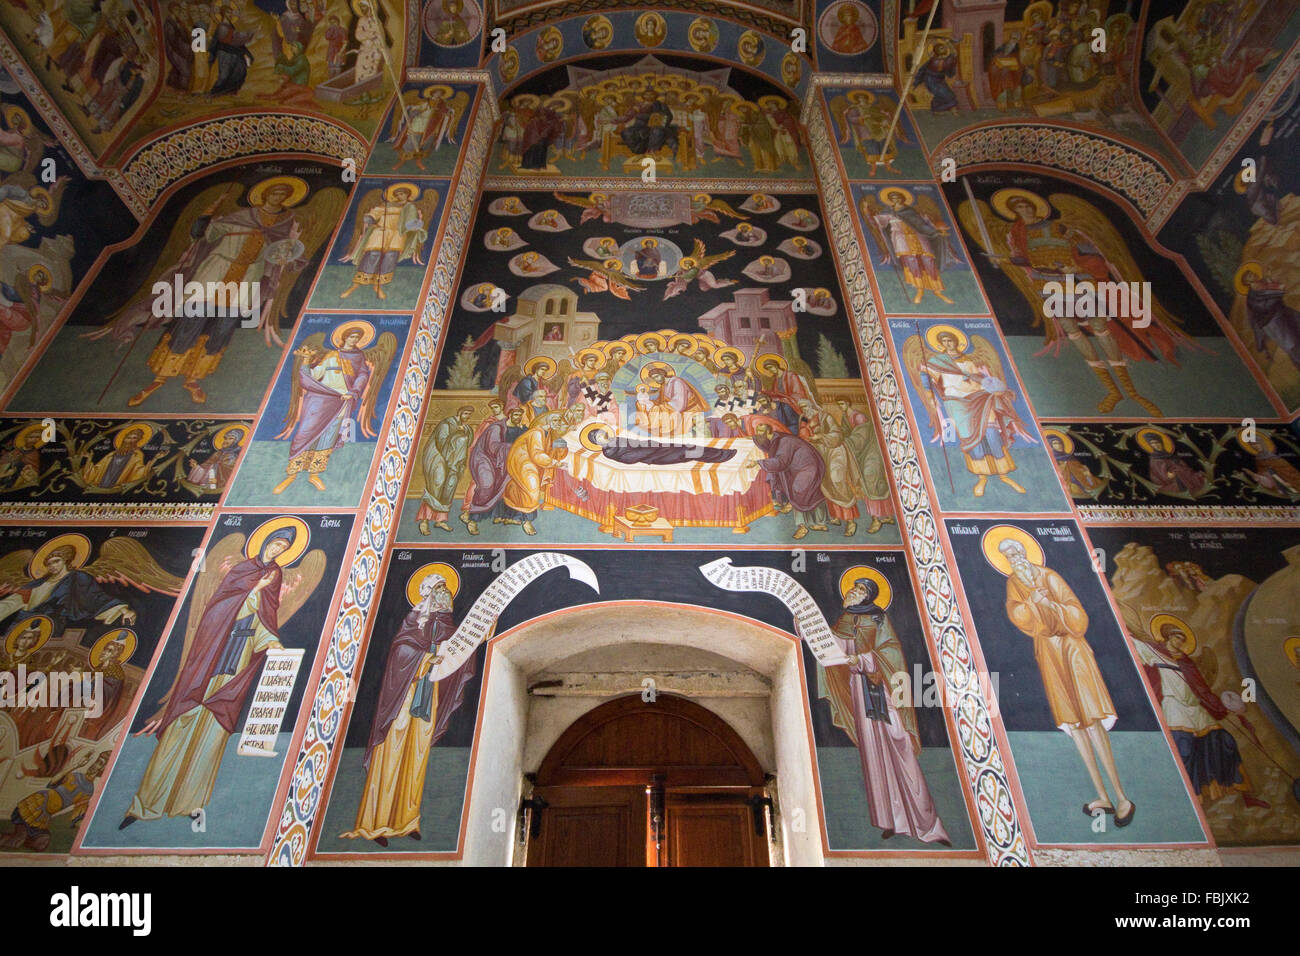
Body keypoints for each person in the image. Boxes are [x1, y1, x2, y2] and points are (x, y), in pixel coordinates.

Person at [121, 529, 296, 827]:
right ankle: (144, 805)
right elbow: (217, 611)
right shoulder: (244, 571)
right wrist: (254, 589)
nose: (279, 549)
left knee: (212, 734)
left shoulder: (274, 577)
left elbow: (265, 618)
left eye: (284, 546)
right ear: (266, 542)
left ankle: (190, 802)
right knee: (182, 725)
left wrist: (271, 642)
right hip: (209, 659)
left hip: (237, 665)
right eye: (277, 543)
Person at [995, 533, 1134, 825]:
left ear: (1024, 552)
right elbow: (1015, 613)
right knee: (1074, 723)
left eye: (1016, 552)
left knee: (1092, 718)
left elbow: (1077, 614)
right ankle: (1102, 796)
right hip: (1048, 652)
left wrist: (1051, 605)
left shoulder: (1049, 575)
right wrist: (1032, 603)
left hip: (1072, 648)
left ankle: (1121, 796)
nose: (1014, 559)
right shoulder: (1014, 583)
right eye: (1009, 556)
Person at [341, 573, 475, 846]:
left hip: (429, 697)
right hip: (403, 697)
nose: (445, 593)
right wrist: (426, 658)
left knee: (417, 755)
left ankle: (407, 821)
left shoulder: (447, 624)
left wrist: (480, 636)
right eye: (439, 588)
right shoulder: (414, 620)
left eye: (446, 589)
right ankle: (375, 824)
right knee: (391, 753)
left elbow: (460, 655)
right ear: (428, 592)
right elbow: (401, 652)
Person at [820, 577, 950, 843]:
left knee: (899, 742)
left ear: (868, 595)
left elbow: (891, 651)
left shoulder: (878, 618)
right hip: (860, 690)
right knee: (873, 751)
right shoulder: (846, 618)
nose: (854, 592)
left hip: (882, 688)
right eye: (853, 588)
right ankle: (892, 820)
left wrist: (865, 660)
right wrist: (812, 630)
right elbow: (837, 648)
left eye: (860, 590)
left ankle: (926, 822)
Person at [1135, 617, 1268, 810]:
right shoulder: (1154, 651)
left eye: (1182, 638)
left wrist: (1218, 706)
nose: (1180, 641)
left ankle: (1245, 795)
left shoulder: (1187, 662)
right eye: (1176, 637)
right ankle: (1184, 799)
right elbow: (1133, 644)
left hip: (1196, 708)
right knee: (1184, 748)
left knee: (1225, 742)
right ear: (1167, 637)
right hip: (1173, 706)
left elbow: (1201, 687)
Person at [273, 326, 376, 494]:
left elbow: (363, 376)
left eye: (357, 337)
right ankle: (291, 475)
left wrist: (354, 392)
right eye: (351, 337)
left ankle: (314, 473)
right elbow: (313, 375)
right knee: (305, 432)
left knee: (329, 435)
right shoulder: (331, 356)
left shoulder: (358, 357)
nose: (354, 340)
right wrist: (306, 361)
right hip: (320, 398)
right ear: (344, 337)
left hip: (341, 400)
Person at [751, 422, 827, 539]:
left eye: (761, 432)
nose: (758, 434)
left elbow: (781, 462)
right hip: (797, 468)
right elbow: (766, 446)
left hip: (808, 466)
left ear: (769, 432)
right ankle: (812, 524)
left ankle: (807, 526)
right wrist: (754, 439)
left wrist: (759, 462)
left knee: (799, 491)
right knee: (808, 493)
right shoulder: (775, 440)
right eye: (757, 431)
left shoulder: (784, 441)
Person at [461, 406, 526, 534]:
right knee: (487, 485)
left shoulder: (520, 429)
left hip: (502, 462)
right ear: (509, 415)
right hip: (485, 458)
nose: (518, 417)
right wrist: (513, 447)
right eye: (516, 414)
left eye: (520, 415)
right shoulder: (497, 428)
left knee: (505, 486)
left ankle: (499, 515)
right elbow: (493, 446)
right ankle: (472, 518)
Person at [503, 413, 568, 535]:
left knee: (521, 488)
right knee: (532, 489)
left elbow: (547, 451)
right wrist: (554, 462)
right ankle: (526, 521)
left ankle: (514, 517)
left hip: (531, 462)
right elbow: (537, 454)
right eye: (555, 419)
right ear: (548, 421)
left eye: (560, 420)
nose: (558, 422)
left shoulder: (549, 433)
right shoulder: (537, 433)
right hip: (522, 461)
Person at [417, 406, 474, 534]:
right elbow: (441, 442)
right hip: (438, 459)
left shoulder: (466, 428)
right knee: (436, 486)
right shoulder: (446, 424)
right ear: (459, 413)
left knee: (449, 487)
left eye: (469, 414)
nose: (467, 416)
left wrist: (456, 462)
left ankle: (440, 520)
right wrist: (457, 436)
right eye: (465, 413)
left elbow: (468, 442)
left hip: (455, 462)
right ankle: (424, 521)